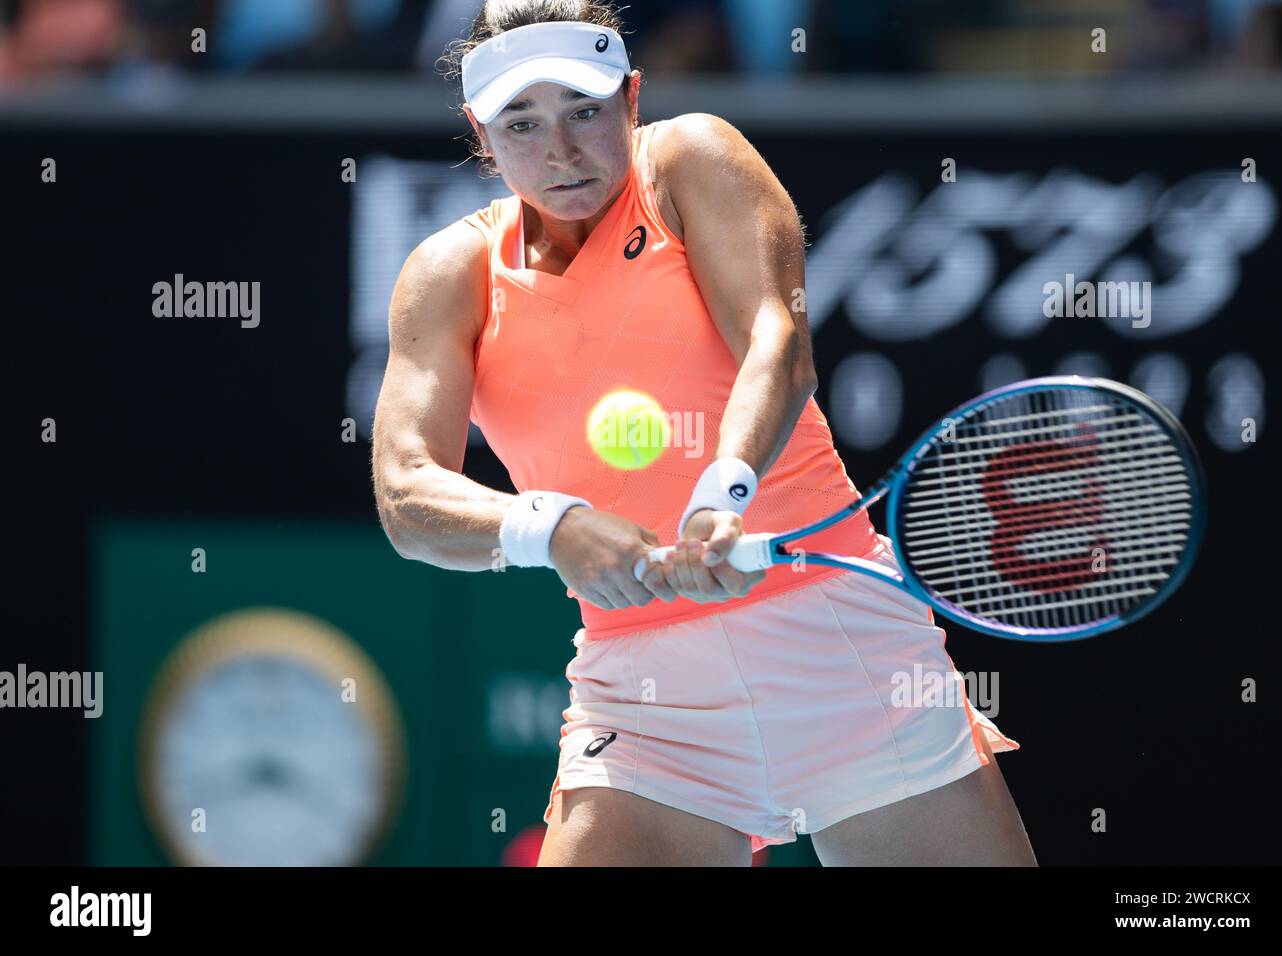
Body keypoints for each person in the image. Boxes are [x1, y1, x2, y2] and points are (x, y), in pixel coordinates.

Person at [372, 0, 1037, 866]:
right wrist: (551, 527)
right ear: (480, 132)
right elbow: (405, 492)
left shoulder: (693, 158)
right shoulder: (447, 274)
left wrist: (723, 498)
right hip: (643, 705)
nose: (562, 152)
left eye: (584, 111)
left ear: (632, 98)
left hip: (843, 651)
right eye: (522, 124)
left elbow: (779, 340)